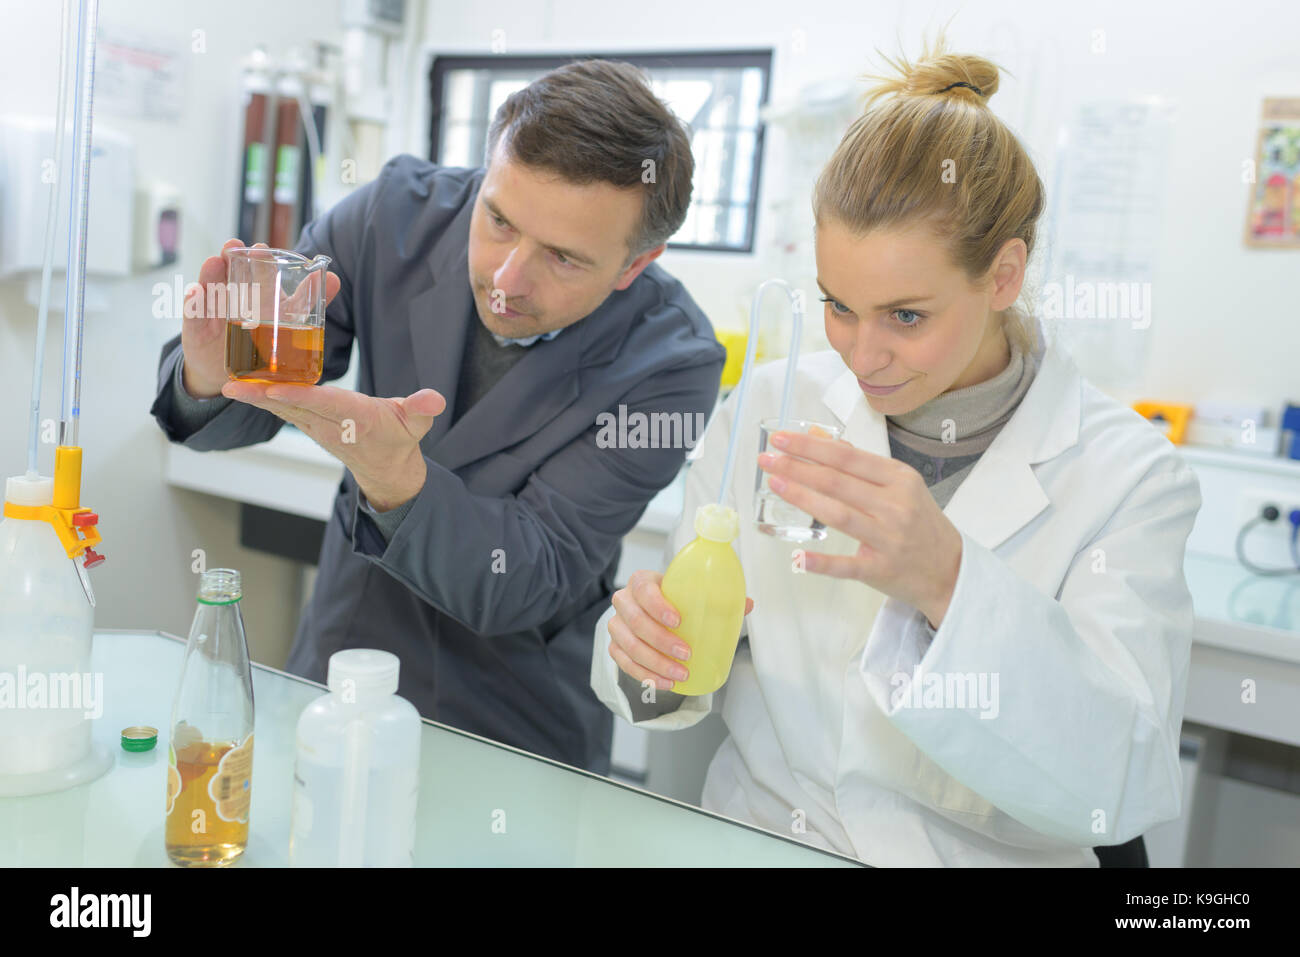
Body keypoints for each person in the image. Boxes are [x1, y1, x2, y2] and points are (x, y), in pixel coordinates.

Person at [591, 33, 1203, 866]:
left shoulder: (1129, 478)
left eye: (906, 316)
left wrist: (947, 579)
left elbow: (1119, 781)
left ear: (1004, 275)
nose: (862, 353)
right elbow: (670, 680)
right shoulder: (774, 403)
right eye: (839, 306)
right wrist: (647, 656)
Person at [150, 60, 725, 774]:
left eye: (563, 258)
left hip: (516, 714)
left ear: (635, 265)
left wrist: (399, 483)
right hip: (346, 660)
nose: (508, 278)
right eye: (499, 220)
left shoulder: (672, 361)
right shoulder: (395, 217)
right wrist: (213, 376)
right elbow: (262, 385)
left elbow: (534, 569)